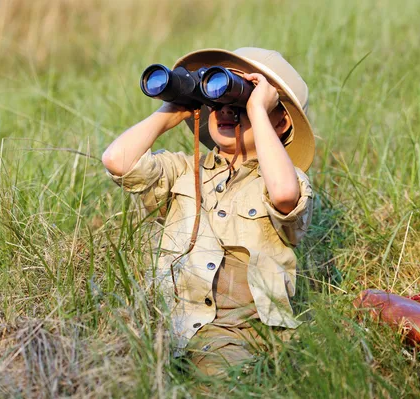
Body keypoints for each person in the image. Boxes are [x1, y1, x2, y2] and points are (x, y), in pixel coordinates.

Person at [101, 47, 315, 377]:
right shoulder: (184, 170)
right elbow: (118, 161)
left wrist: (258, 111)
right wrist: (175, 106)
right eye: (216, 103)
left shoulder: (283, 181)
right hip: (175, 326)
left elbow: (284, 195)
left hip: (240, 336)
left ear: (280, 120)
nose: (226, 112)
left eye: (240, 103)